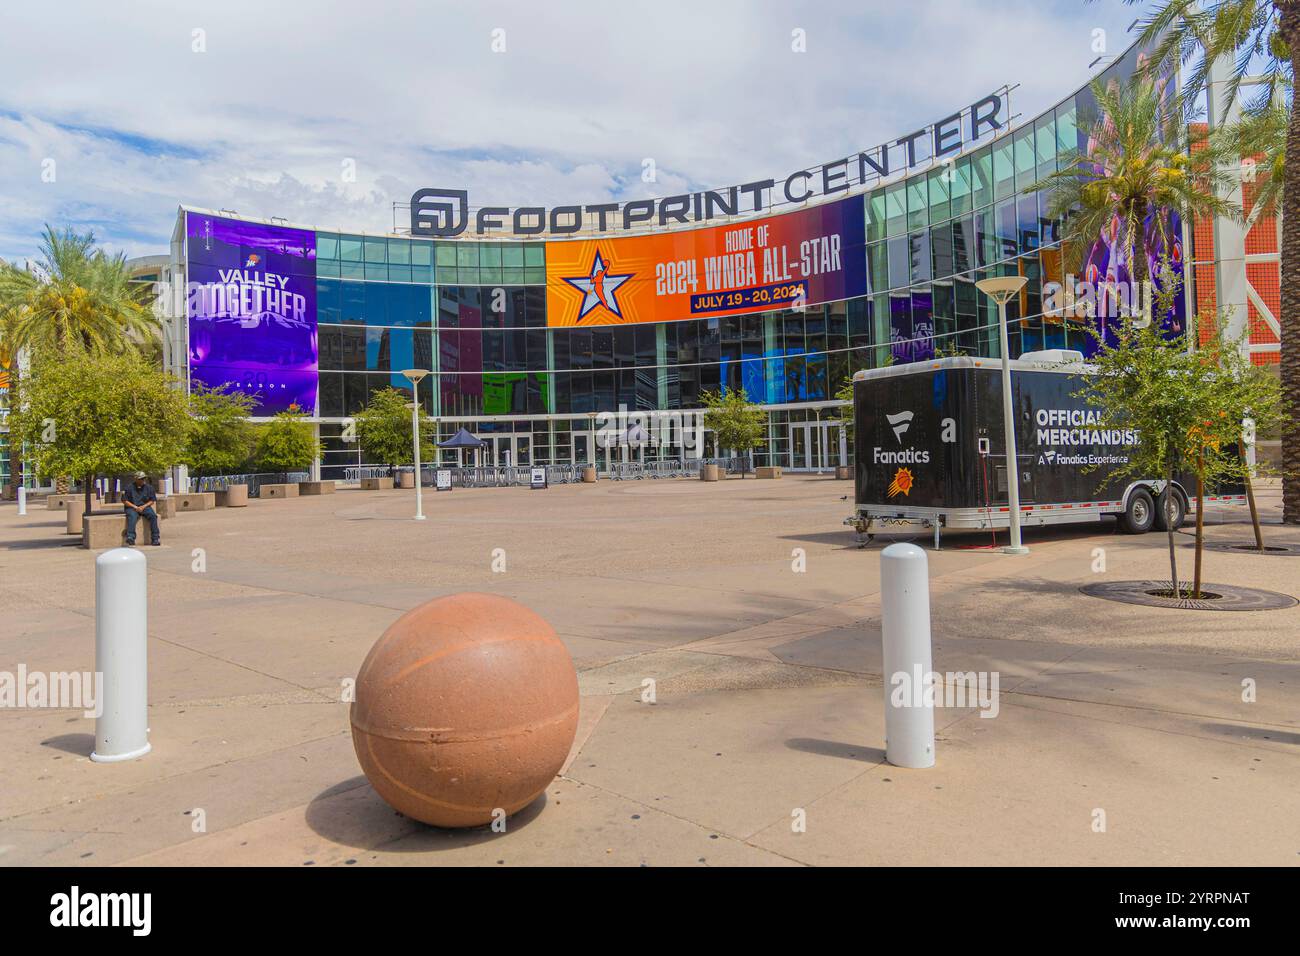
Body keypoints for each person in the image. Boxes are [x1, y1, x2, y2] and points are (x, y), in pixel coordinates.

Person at [122, 472, 161, 546]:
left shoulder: (149, 488)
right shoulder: (129, 487)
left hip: (145, 507)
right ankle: (131, 537)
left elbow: (152, 500)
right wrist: (135, 507)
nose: (143, 480)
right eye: (141, 479)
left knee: (153, 516)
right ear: (136, 479)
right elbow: (124, 501)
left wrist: (143, 506)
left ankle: (155, 538)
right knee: (132, 517)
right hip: (132, 507)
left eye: (144, 478)